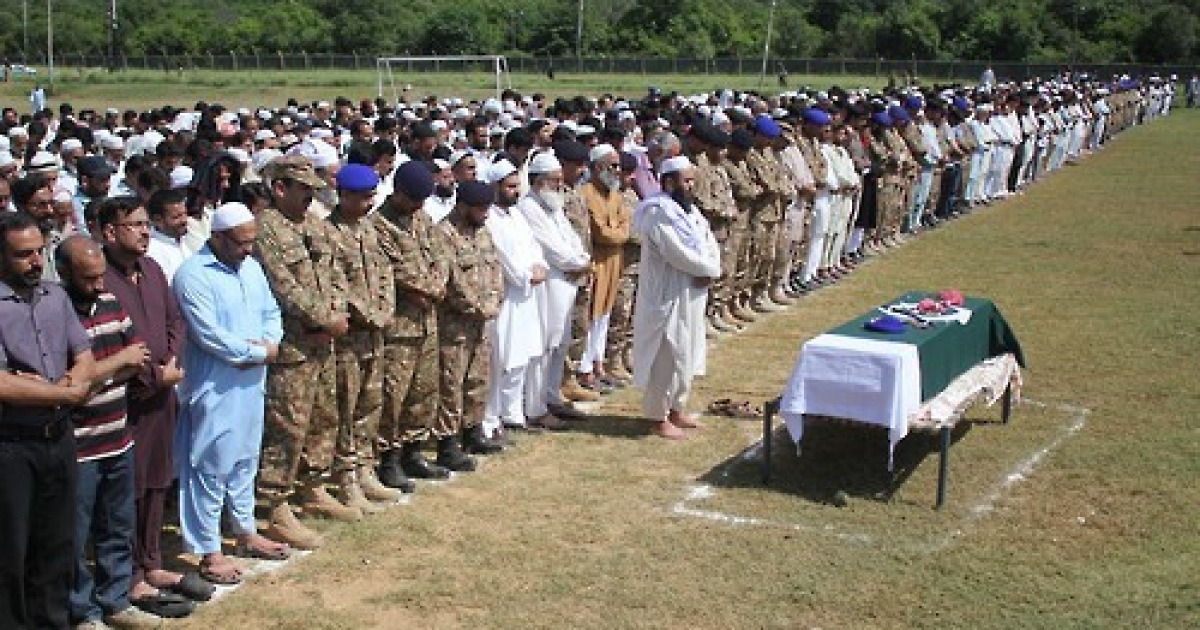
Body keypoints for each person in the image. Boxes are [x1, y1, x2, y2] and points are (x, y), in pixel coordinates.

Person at [56, 235, 178, 628]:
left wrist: (103, 370)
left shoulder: (109, 302)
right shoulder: (56, 314)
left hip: (118, 435)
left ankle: (116, 598)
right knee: (75, 536)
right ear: (63, 273)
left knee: (117, 525)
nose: (98, 285)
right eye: (88, 279)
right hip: (80, 444)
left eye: (99, 277)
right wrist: (115, 364)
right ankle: (82, 610)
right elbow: (67, 386)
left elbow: (138, 357)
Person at [94, 197, 211, 607]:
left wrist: (172, 363)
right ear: (110, 232)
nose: (145, 231)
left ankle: (152, 560)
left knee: (159, 479)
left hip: (163, 392)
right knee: (129, 488)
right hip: (126, 399)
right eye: (135, 225)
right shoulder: (100, 277)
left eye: (147, 224)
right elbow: (105, 340)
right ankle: (128, 573)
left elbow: (174, 321)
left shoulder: (153, 269)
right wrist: (151, 376)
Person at [173, 202, 291, 586]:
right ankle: (208, 550)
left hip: (251, 382)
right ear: (218, 238)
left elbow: (271, 312)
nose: (248, 250)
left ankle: (244, 530)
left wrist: (272, 343)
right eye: (241, 243)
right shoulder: (193, 275)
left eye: (252, 242)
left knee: (244, 460)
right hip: (214, 386)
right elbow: (208, 334)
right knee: (209, 466)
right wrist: (257, 352)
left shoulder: (252, 268)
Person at [255, 155, 356, 548]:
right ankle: (273, 506)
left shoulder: (314, 225)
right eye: (303, 191)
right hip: (293, 344)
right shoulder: (267, 231)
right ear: (279, 188)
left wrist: (337, 315)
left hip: (324, 340)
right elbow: (284, 288)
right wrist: (321, 320)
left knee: (324, 416)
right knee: (287, 426)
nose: (311, 199)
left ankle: (312, 488)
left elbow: (336, 275)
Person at [0, 210, 95, 629]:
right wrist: (65, 391)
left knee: (56, 546)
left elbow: (85, 354)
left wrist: (72, 381)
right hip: (12, 444)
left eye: (40, 251)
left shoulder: (55, 296)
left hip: (58, 436)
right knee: (12, 554)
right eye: (24, 255)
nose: (36, 261)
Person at [326, 164, 404, 507]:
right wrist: (370, 314)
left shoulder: (369, 231)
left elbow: (386, 272)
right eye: (362, 197)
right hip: (349, 338)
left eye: (372, 196)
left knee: (371, 405)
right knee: (346, 407)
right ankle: (345, 480)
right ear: (342, 196)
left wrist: (386, 309)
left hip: (376, 334)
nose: (369, 203)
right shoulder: (328, 233)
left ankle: (366, 470)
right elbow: (335, 284)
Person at [373, 160, 453, 489]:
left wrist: (435, 286)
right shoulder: (379, 225)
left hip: (426, 320)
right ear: (398, 193)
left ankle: (413, 452)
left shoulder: (422, 219)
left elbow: (441, 255)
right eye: (414, 200)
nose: (419, 206)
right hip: (399, 327)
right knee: (394, 396)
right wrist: (429, 288)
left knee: (423, 391)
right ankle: (387, 459)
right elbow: (395, 269)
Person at [631, 156, 721, 440]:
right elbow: (676, 252)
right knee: (667, 354)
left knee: (688, 351)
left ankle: (677, 408)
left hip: (692, 292)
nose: (692, 186)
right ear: (669, 182)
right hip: (667, 295)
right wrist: (707, 269)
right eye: (687, 180)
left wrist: (711, 269)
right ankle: (658, 416)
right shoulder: (658, 212)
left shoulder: (691, 212)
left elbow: (709, 242)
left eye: (693, 180)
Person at [434, 180, 505, 469]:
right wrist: (477, 306)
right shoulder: (443, 234)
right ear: (462, 206)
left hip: (481, 321)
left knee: (477, 379)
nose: (485, 214)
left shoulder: (483, 232)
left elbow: (495, 268)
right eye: (479, 208)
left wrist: (494, 301)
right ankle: (447, 444)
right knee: (451, 384)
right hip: (455, 324)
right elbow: (452, 281)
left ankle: (472, 431)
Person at [517, 152, 590, 429]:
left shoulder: (554, 205)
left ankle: (552, 396)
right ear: (537, 182)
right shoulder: (529, 208)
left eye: (560, 181)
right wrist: (576, 264)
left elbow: (571, 237)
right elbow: (551, 247)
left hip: (568, 280)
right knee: (545, 345)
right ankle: (535, 403)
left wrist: (583, 260)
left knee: (560, 341)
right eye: (554, 181)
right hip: (549, 283)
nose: (560, 186)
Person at [482, 160, 548, 437]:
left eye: (516, 186)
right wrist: (525, 275)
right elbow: (503, 259)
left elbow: (534, 245)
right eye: (509, 187)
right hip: (507, 296)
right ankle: (490, 419)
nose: (515, 192)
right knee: (500, 360)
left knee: (521, 356)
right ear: (496, 188)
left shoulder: (517, 215)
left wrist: (539, 266)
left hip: (527, 296)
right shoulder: (490, 219)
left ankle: (513, 413)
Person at [577, 143, 631, 389]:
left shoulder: (616, 194)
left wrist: (618, 234)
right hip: (596, 261)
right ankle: (585, 369)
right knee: (591, 314)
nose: (618, 171)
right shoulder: (585, 194)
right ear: (598, 167)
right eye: (613, 166)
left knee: (606, 314)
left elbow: (625, 226)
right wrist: (618, 234)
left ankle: (599, 364)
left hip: (614, 261)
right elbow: (601, 233)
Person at [145, 188, 194, 283]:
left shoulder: (185, 241)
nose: (184, 220)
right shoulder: (151, 252)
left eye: (185, 214)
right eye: (177, 217)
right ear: (158, 220)